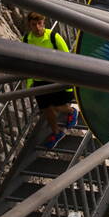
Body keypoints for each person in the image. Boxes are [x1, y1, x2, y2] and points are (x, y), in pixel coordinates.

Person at [22, 12, 78, 148]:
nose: (37, 27)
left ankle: (71, 111)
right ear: (29, 26)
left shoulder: (53, 37)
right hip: (38, 79)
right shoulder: (26, 40)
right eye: (33, 24)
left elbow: (67, 57)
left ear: (44, 23)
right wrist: (30, 83)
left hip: (55, 77)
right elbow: (26, 61)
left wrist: (69, 81)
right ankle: (56, 132)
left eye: (39, 23)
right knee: (46, 109)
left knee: (55, 106)